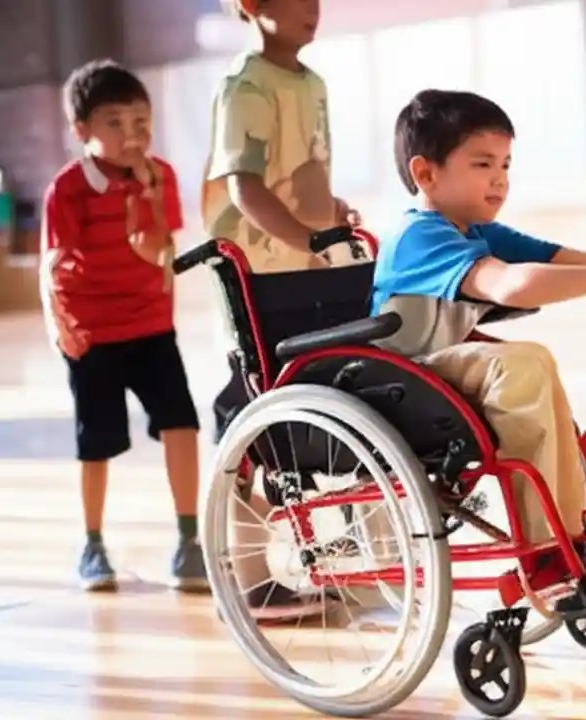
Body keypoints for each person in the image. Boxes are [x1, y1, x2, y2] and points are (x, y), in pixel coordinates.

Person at [374, 89, 586, 612]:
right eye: (482, 164)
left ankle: (574, 533)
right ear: (426, 174)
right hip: (404, 382)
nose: (500, 178)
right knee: (527, 362)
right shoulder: (418, 237)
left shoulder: (474, 230)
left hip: (434, 372)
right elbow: (512, 284)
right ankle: (546, 554)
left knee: (536, 369)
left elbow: (564, 259)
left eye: (506, 164)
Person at [203, 0, 363, 620]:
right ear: (251, 6)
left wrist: (331, 212)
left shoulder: (312, 83)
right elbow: (245, 187)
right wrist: (308, 236)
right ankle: (246, 580)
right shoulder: (244, 86)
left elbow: (302, 175)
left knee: (311, 401)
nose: (310, 10)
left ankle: (322, 543)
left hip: (309, 266)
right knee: (252, 411)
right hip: (259, 276)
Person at [40, 59, 205, 592]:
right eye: (116, 122)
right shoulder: (67, 190)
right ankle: (92, 543)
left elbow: (161, 249)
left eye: (141, 121)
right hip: (93, 333)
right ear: (82, 130)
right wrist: (60, 324)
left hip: (152, 326)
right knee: (97, 443)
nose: (133, 133)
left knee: (182, 424)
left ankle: (188, 541)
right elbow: (54, 262)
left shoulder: (162, 175)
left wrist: (148, 206)